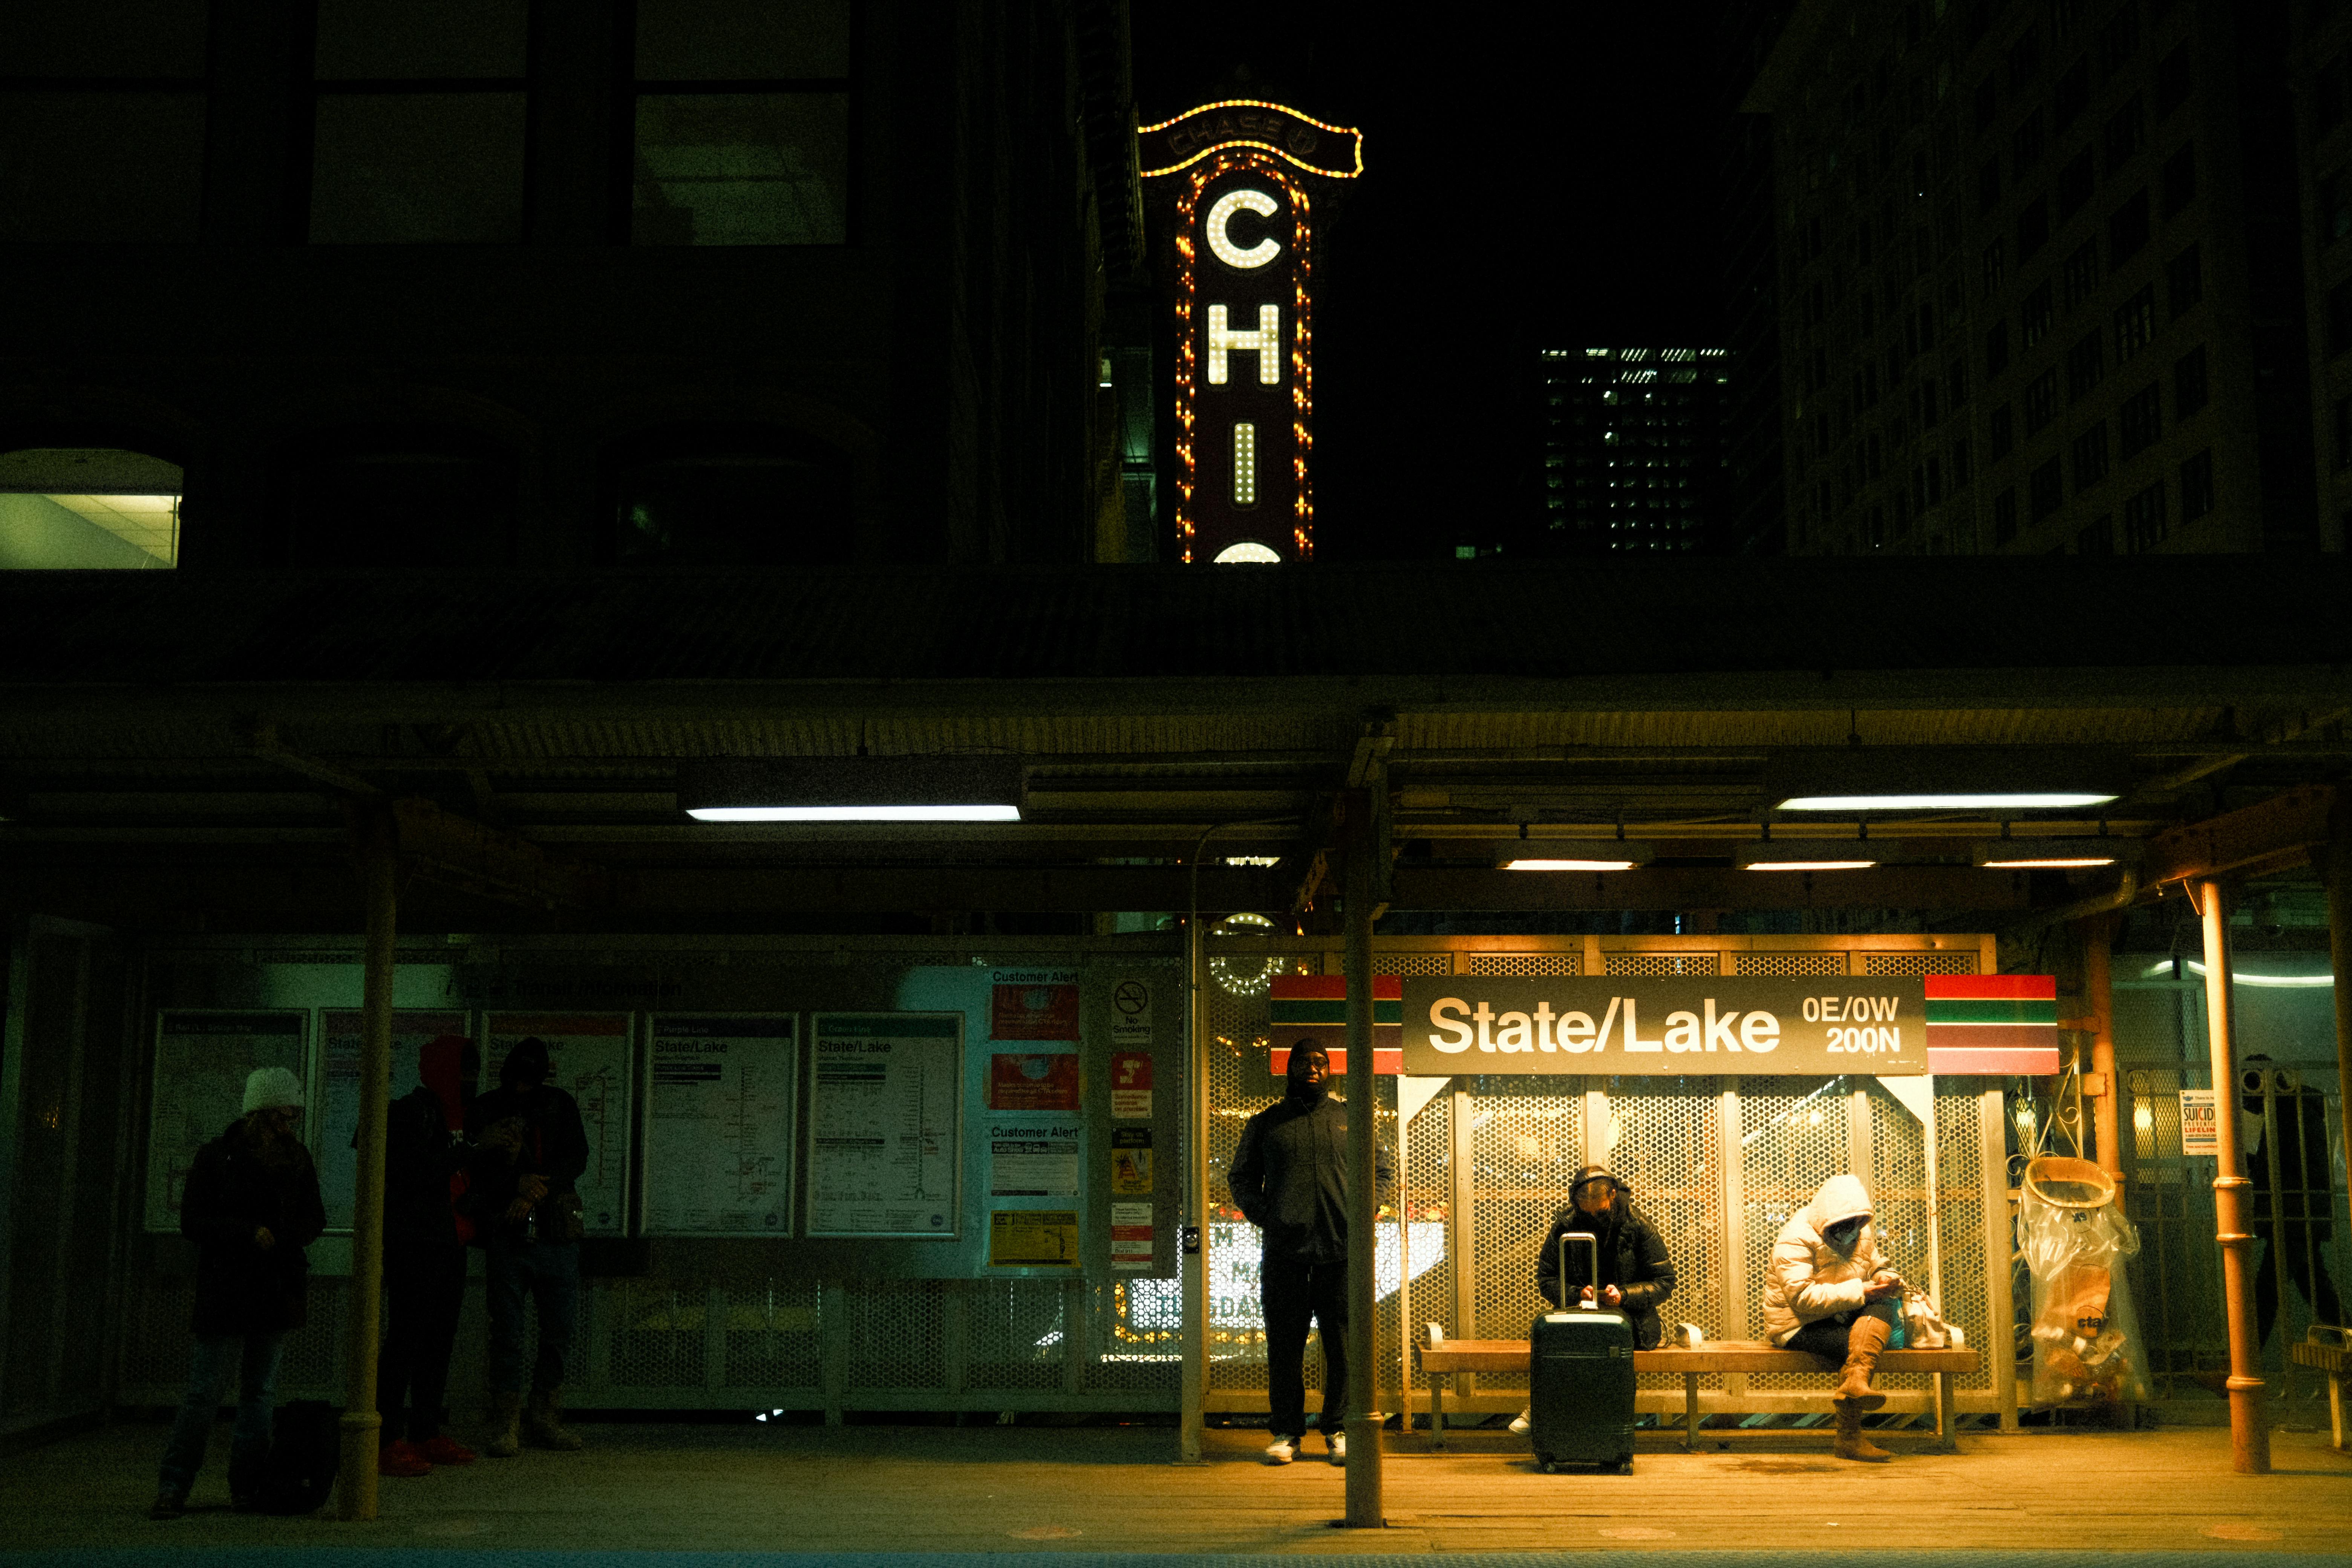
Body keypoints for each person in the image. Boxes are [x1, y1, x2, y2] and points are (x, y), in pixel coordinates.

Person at [150, 1066, 326, 1519]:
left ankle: (233, 1485)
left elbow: (315, 1218)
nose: (287, 1125)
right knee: (212, 1391)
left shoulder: (285, 1158)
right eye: (280, 1116)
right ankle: (183, 1483)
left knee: (251, 1392)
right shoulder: (218, 1158)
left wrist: (277, 1236)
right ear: (259, 1114)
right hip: (235, 1284)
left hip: (258, 1283)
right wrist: (249, 1232)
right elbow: (192, 1221)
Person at [1227, 1042, 1392, 1467]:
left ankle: (1337, 1429)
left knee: (1343, 1344)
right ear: (1289, 1069)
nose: (1313, 1069)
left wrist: (1365, 1211)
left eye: (1320, 1062)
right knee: (1285, 1345)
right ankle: (1286, 1431)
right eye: (1304, 1062)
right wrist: (1269, 1216)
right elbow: (1241, 1176)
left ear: (1331, 1069)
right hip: (1286, 1252)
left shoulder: (1350, 1119)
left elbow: (1382, 1170)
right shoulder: (1267, 1123)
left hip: (1342, 1250)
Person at [466, 1036, 590, 1458]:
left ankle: (540, 1415)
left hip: (552, 1230)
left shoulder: (558, 1104)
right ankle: (509, 1418)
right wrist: (518, 1186)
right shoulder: (487, 1108)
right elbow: (472, 1168)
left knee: (559, 1330)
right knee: (509, 1332)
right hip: (511, 1231)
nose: (522, 1089)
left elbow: (577, 1157)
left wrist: (532, 1187)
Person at [374, 1035, 479, 1477]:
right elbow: (415, 1171)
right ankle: (385, 1436)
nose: (470, 1081)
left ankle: (424, 1428)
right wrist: (469, 1150)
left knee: (438, 1340)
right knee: (406, 1339)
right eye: (463, 1071)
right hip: (416, 1242)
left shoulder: (461, 1117)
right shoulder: (410, 1113)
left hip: (452, 1240)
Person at [1508, 1163, 1677, 1436]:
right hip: (1582, 1312)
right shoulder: (1566, 1224)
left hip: (1631, 1320)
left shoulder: (1639, 1226)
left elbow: (1664, 1281)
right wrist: (1577, 1294)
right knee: (1576, 1339)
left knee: (1589, 1342)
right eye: (1585, 1213)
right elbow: (1547, 1278)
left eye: (1599, 1212)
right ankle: (1585, 1426)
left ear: (1612, 1195)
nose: (1593, 1219)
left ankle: (1548, 1412)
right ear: (1576, 1202)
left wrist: (1624, 1296)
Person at [1762, 1173, 1905, 1463]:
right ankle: (1850, 1435)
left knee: (1883, 1310)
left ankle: (1856, 1384)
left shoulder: (1860, 1231)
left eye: (1856, 1224)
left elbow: (1876, 1264)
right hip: (1798, 1324)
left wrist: (1886, 1278)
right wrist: (1860, 1290)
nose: (1850, 1233)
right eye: (1842, 1226)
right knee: (1859, 1349)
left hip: (1841, 1314)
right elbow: (1801, 1298)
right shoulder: (1795, 1237)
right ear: (1828, 1218)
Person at [2240, 1057, 2347, 1348]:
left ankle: (2243, 1366)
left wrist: (2248, 1164)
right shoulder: (2296, 1111)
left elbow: (2280, 1168)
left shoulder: (2287, 1114)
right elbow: (2288, 1165)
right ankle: (2349, 1355)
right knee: (2317, 1292)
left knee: (2267, 1292)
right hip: (2301, 1216)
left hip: (2293, 1217)